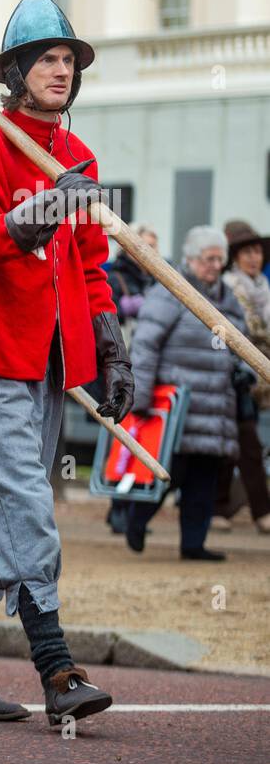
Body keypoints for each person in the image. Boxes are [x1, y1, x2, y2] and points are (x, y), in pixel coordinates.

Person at [0, 0, 128, 725]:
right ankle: (57, 666)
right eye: (47, 57)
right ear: (15, 70)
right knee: (27, 506)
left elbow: (93, 263)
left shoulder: (78, 155)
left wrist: (109, 341)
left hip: (48, 362)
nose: (61, 70)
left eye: (69, 58)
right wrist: (41, 208)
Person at [125, 225, 246, 561]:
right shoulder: (170, 291)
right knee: (168, 473)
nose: (215, 266)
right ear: (191, 259)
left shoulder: (226, 296)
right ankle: (136, 518)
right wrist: (141, 396)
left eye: (220, 259)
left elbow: (242, 342)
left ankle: (194, 543)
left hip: (215, 405)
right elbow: (146, 345)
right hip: (176, 406)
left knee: (204, 481)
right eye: (209, 259)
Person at [213, 219, 270, 533]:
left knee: (234, 442)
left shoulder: (263, 288)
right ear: (235, 257)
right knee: (243, 441)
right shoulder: (230, 287)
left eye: (257, 251)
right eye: (247, 252)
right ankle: (261, 511)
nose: (254, 257)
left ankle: (220, 507)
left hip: (258, 375)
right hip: (236, 376)